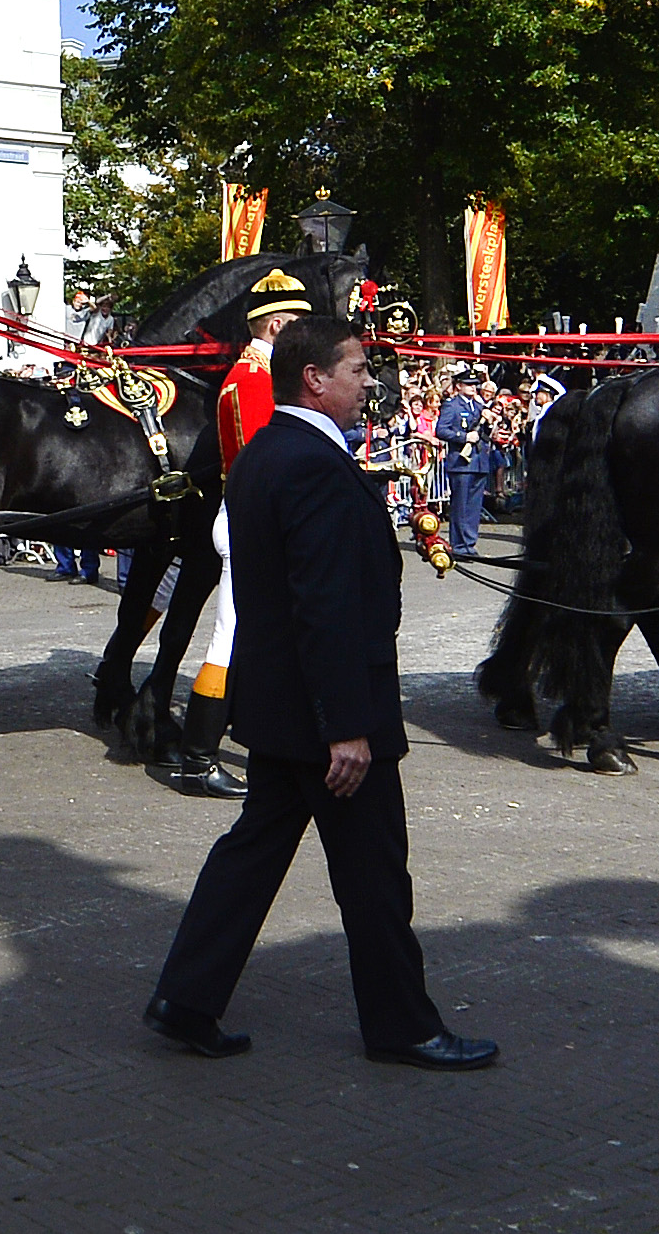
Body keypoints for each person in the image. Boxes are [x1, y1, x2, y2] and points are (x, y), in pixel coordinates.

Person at [145, 308, 492, 1072]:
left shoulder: (267, 453)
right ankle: (401, 1026)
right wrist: (345, 725)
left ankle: (186, 996)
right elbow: (325, 606)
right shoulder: (312, 465)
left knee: (251, 856)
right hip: (327, 716)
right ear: (314, 378)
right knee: (373, 875)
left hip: (277, 707)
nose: (368, 383)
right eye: (357, 370)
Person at [165, 271, 315, 798]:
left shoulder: (258, 373)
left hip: (254, 520)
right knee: (228, 640)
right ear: (276, 326)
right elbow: (262, 463)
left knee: (257, 639)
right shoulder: (253, 380)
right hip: (255, 523)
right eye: (297, 325)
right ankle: (198, 759)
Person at [434, 369, 493, 559]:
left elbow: (484, 434)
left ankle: (469, 544)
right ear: (458, 386)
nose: (473, 388)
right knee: (460, 506)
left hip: (478, 461)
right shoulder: (452, 405)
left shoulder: (479, 406)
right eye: (468, 384)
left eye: (475, 384)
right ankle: (459, 546)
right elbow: (441, 430)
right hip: (461, 462)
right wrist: (464, 437)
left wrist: (489, 423)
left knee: (474, 507)